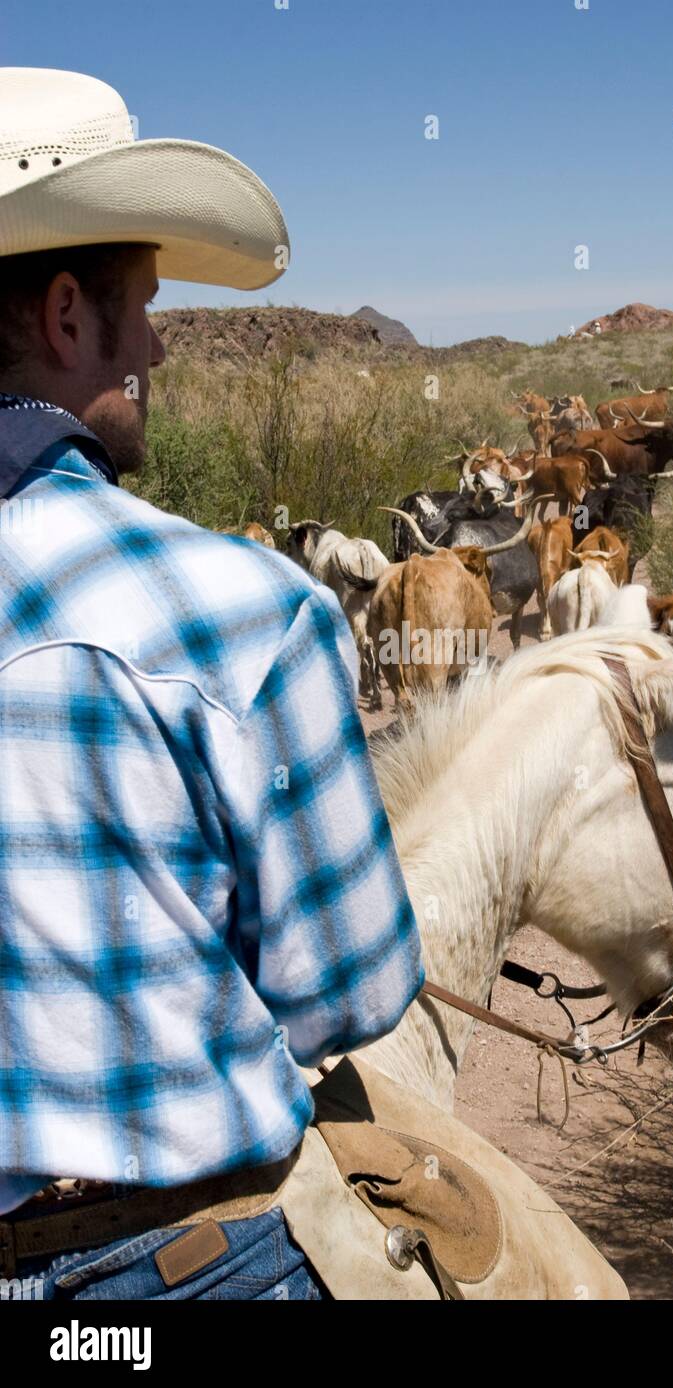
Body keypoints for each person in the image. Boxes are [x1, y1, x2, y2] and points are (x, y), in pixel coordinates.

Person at [0, 67, 424, 1300]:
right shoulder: (241, 614)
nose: (159, 349)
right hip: (168, 1265)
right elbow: (349, 988)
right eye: (143, 309)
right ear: (69, 316)